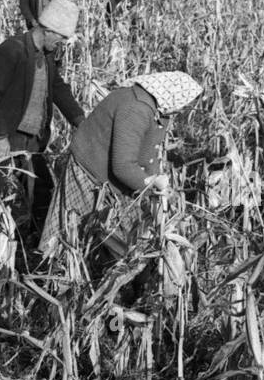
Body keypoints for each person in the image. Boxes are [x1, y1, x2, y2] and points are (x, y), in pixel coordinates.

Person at [41, 70, 203, 262]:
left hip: (112, 171)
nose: (184, 110)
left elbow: (147, 153)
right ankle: (53, 272)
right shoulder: (136, 109)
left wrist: (154, 186)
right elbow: (123, 167)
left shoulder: (160, 110)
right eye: (185, 104)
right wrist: (150, 183)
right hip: (89, 168)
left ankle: (106, 268)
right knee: (70, 231)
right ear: (174, 95)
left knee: (124, 233)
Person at [0, 0, 85, 243]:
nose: (63, 43)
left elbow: (58, 88)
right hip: (2, 137)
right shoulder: (12, 51)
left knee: (40, 191)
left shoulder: (47, 55)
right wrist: (0, 138)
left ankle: (30, 241)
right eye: (62, 38)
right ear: (48, 31)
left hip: (31, 139)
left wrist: (79, 120)